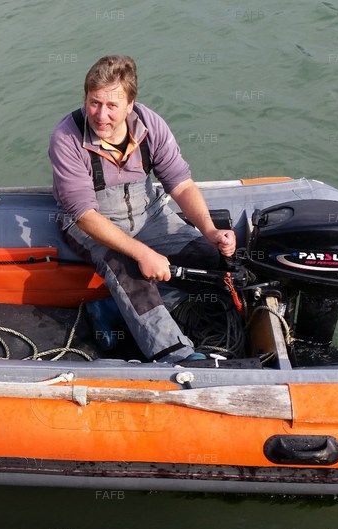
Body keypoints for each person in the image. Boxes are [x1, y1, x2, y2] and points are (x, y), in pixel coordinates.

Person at [48, 55, 235, 363]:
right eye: (94, 103)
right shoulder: (65, 138)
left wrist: (210, 231)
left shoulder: (151, 125)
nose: (101, 115)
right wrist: (142, 253)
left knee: (208, 259)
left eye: (112, 106)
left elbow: (181, 185)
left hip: (149, 212)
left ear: (131, 104)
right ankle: (176, 356)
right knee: (129, 269)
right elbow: (83, 215)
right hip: (91, 223)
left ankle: (113, 310)